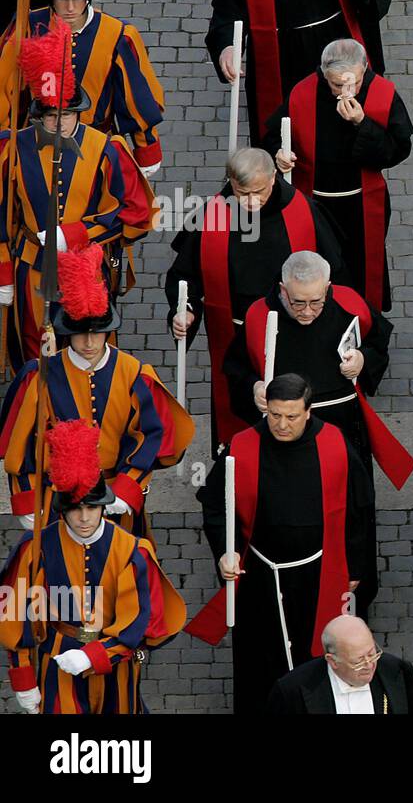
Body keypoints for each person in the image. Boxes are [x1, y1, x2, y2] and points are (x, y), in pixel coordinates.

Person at [225, 250, 413, 615]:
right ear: (282, 290)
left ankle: (356, 584)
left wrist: (363, 361)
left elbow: (378, 341)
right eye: (298, 302)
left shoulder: (348, 305)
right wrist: (253, 388)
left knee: (353, 505)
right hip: (282, 431)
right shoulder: (259, 317)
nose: (308, 312)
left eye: (316, 301)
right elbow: (235, 367)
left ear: (328, 288)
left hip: (341, 427)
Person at [188, 374, 373, 714]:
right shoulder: (242, 445)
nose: (282, 425)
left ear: (308, 411)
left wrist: (356, 565)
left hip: (318, 570)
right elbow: (216, 507)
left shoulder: (334, 443)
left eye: (291, 416)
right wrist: (224, 553)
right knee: (259, 657)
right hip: (260, 571)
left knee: (314, 651)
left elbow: (359, 508)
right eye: (275, 415)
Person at [1, 243, 193, 541]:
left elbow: (149, 436)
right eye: (81, 333)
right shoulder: (39, 376)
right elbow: (23, 443)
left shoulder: (134, 374)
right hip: (58, 500)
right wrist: (26, 498)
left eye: (97, 333)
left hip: (115, 493)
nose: (90, 342)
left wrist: (128, 489)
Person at [165, 147, 347, 454]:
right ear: (231, 183)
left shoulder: (303, 211)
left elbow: (336, 273)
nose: (250, 202)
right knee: (240, 406)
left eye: (258, 192)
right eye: (241, 193)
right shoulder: (213, 215)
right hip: (235, 333)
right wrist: (185, 308)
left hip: (295, 330)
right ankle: (239, 464)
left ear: (274, 177)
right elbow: (185, 275)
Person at [0, 419, 186, 715]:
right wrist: (23, 680)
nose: (84, 518)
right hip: (58, 661)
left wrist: (94, 656)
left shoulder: (132, 550)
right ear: (63, 509)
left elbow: (139, 618)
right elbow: (15, 615)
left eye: (92, 507)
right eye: (75, 509)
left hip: (118, 665)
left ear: (103, 506)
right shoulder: (34, 548)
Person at [0, 17, 134, 363]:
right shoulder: (11, 149)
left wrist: (73, 234)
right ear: (37, 115)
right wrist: (3, 271)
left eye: (66, 114)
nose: (58, 122)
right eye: (50, 115)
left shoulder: (107, 149)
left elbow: (134, 213)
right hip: (31, 264)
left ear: (78, 112)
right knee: (34, 353)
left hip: (86, 265)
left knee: (90, 349)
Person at [265, 38, 413, 312]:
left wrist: (362, 123)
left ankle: (364, 320)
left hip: (361, 203)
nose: (345, 91)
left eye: (353, 83)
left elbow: (397, 150)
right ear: (323, 75)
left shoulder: (383, 93)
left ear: (365, 69)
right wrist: (279, 154)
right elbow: (274, 135)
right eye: (336, 85)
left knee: (362, 267)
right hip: (315, 202)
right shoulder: (303, 93)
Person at [0, 0, 166, 176]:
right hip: (35, 147)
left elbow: (138, 98)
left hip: (94, 148)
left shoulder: (117, 34)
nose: (70, 7)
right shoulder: (27, 27)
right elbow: (4, 88)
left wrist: (146, 149)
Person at [206, 0, 394, 146]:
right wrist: (227, 46)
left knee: (348, 126)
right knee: (281, 138)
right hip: (280, 59)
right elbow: (228, 11)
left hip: (339, 48)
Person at [267, 615, 413, 714]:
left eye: (372, 654)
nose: (369, 665)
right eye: (357, 661)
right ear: (333, 661)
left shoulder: (397, 671)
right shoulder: (291, 690)